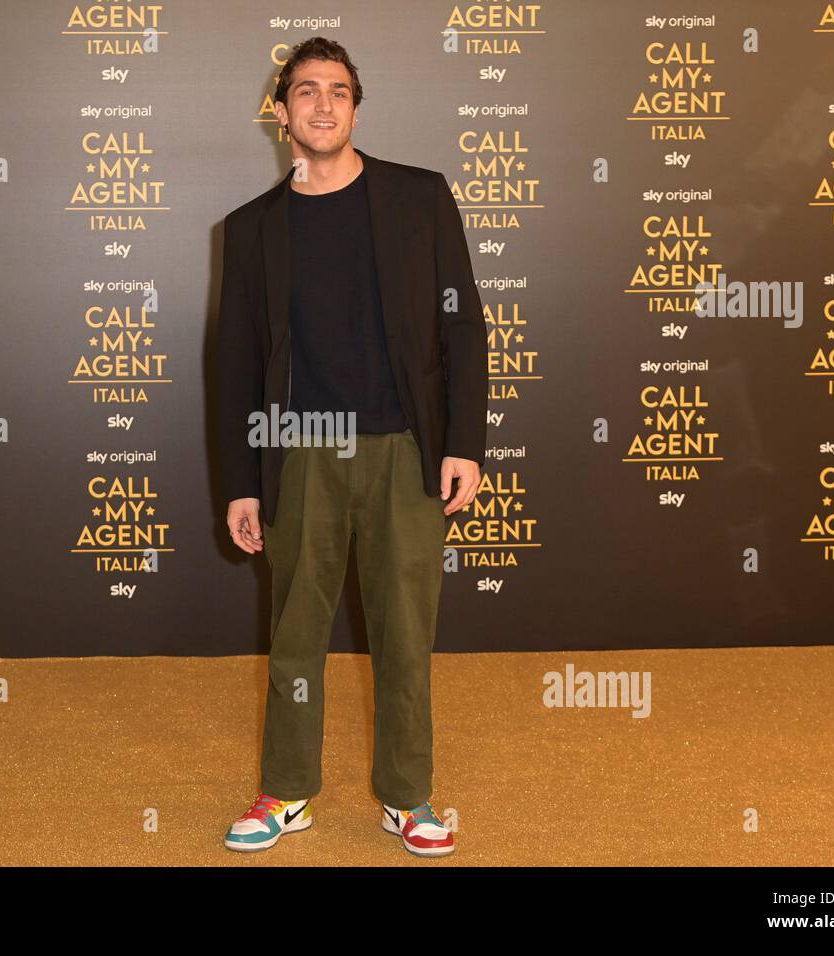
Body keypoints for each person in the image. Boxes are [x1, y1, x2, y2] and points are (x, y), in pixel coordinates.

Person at [214, 37, 487, 857]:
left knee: (406, 634)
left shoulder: (420, 198)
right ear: (281, 113)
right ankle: (287, 789)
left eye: (338, 91)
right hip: (299, 455)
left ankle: (408, 797)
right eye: (305, 91)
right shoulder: (251, 230)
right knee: (296, 633)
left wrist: (465, 443)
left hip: (405, 450)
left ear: (356, 110)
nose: (323, 105)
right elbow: (234, 365)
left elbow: (463, 328)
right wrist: (242, 482)